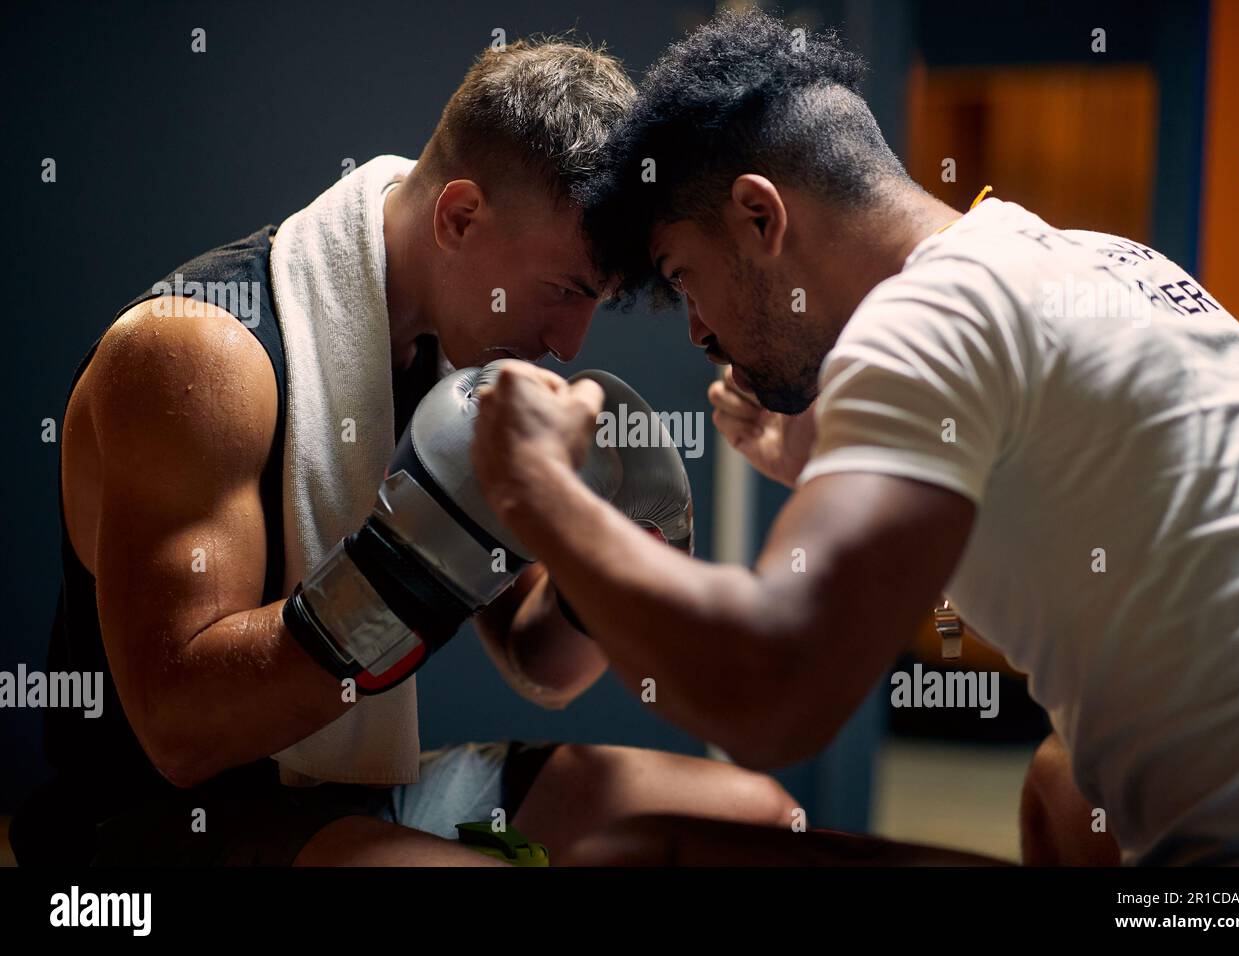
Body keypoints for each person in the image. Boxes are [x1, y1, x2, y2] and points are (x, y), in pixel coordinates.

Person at [469, 10, 1239, 866]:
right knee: (1063, 787)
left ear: (761, 217)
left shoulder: (929, 319)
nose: (697, 332)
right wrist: (837, 460)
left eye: (685, 278)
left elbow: (773, 695)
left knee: (639, 857)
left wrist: (535, 486)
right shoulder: (1102, 261)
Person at [10, 36, 796, 868]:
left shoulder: (462, 369)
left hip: (352, 795)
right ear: (458, 217)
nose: (570, 344)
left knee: (753, 821)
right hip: (157, 825)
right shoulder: (198, 356)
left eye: (592, 303)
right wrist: (412, 564)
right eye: (565, 292)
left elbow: (541, 665)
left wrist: (605, 564)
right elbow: (179, 734)